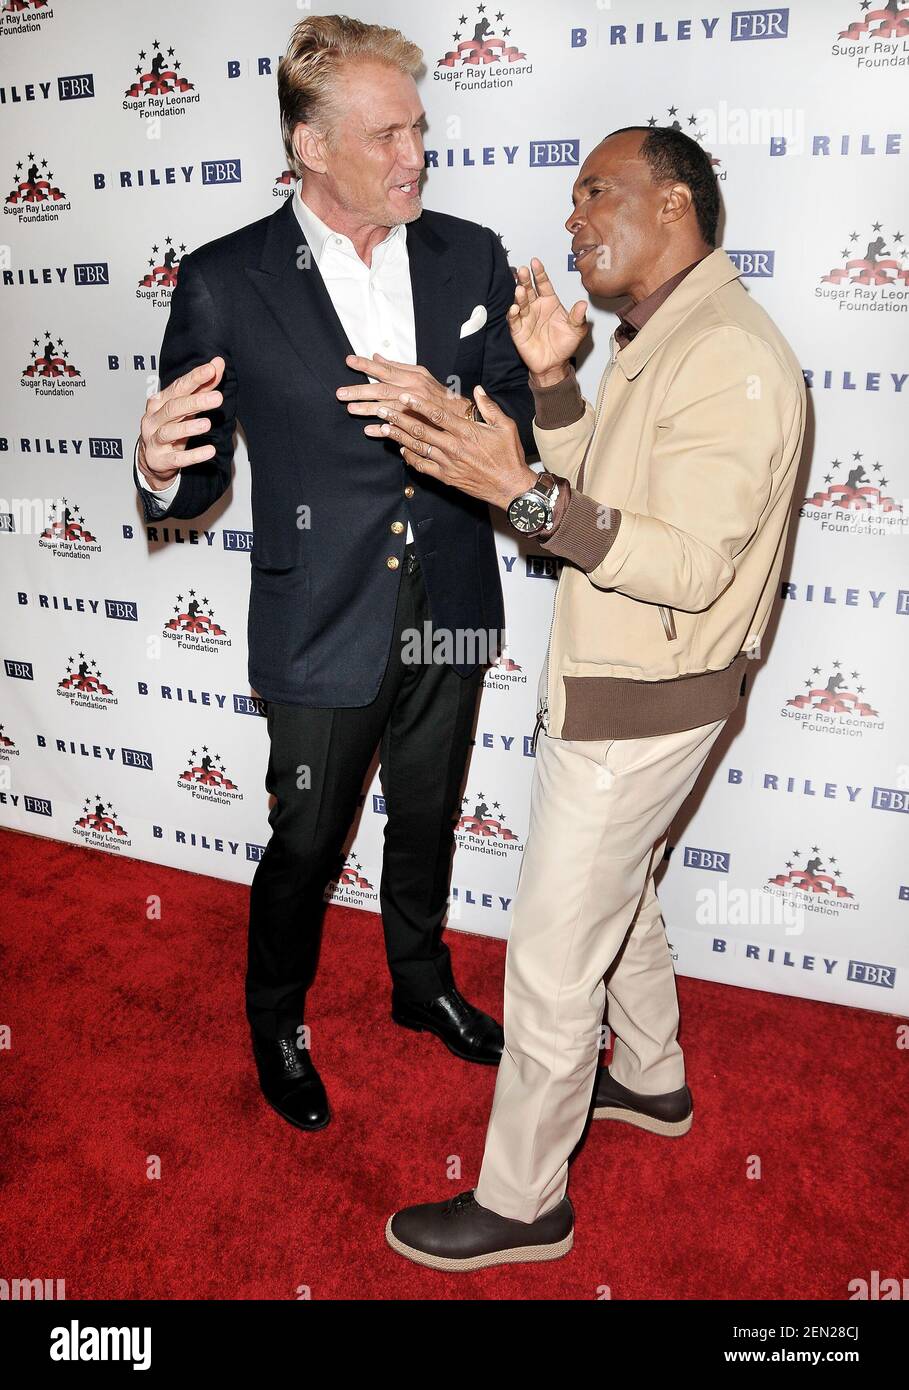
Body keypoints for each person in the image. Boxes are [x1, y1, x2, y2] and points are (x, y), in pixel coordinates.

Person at [368, 125, 807, 1269]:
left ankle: (524, 1202)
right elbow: (605, 483)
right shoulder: (671, 337)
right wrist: (556, 384)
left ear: (674, 206)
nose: (571, 222)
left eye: (595, 193)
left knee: (556, 961)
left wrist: (516, 493)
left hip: (642, 700)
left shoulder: (728, 354)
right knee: (627, 889)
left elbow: (688, 562)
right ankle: (653, 1078)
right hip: (643, 690)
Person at [133, 16, 534, 1133]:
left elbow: (519, 438)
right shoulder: (225, 281)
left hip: (450, 600)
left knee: (429, 813)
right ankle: (278, 1017)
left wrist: (469, 410)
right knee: (308, 838)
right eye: (387, 135)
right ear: (309, 146)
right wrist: (161, 467)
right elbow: (197, 473)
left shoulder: (471, 254)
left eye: (420, 128)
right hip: (320, 619)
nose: (416, 155)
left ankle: (419, 982)